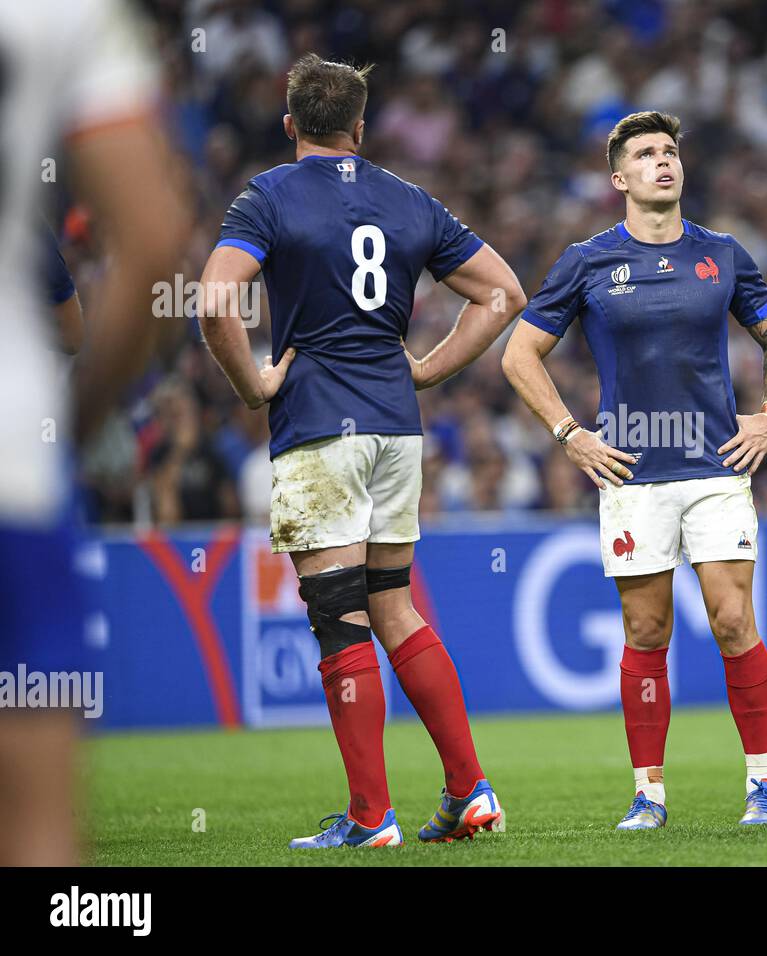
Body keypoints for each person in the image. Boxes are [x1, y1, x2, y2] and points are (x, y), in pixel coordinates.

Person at [199, 54, 525, 847]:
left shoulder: (269, 194)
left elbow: (214, 299)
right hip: (395, 425)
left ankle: (370, 818)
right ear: (360, 127)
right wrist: (428, 369)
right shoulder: (409, 198)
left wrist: (253, 385)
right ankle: (469, 790)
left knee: (339, 619)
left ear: (289, 125)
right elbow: (504, 294)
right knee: (396, 605)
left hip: (317, 427)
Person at [502, 111, 767, 829]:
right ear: (619, 178)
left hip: (714, 467)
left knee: (733, 620)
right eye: (645, 154)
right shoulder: (586, 261)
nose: (662, 162)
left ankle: (764, 784)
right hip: (633, 475)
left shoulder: (723, 253)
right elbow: (518, 355)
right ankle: (649, 794)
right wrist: (569, 433)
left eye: (670, 151)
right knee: (645, 631)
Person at [0, 0, 189, 865]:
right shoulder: (63, 12)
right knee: (36, 834)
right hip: (12, 466)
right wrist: (67, 428)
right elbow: (152, 242)